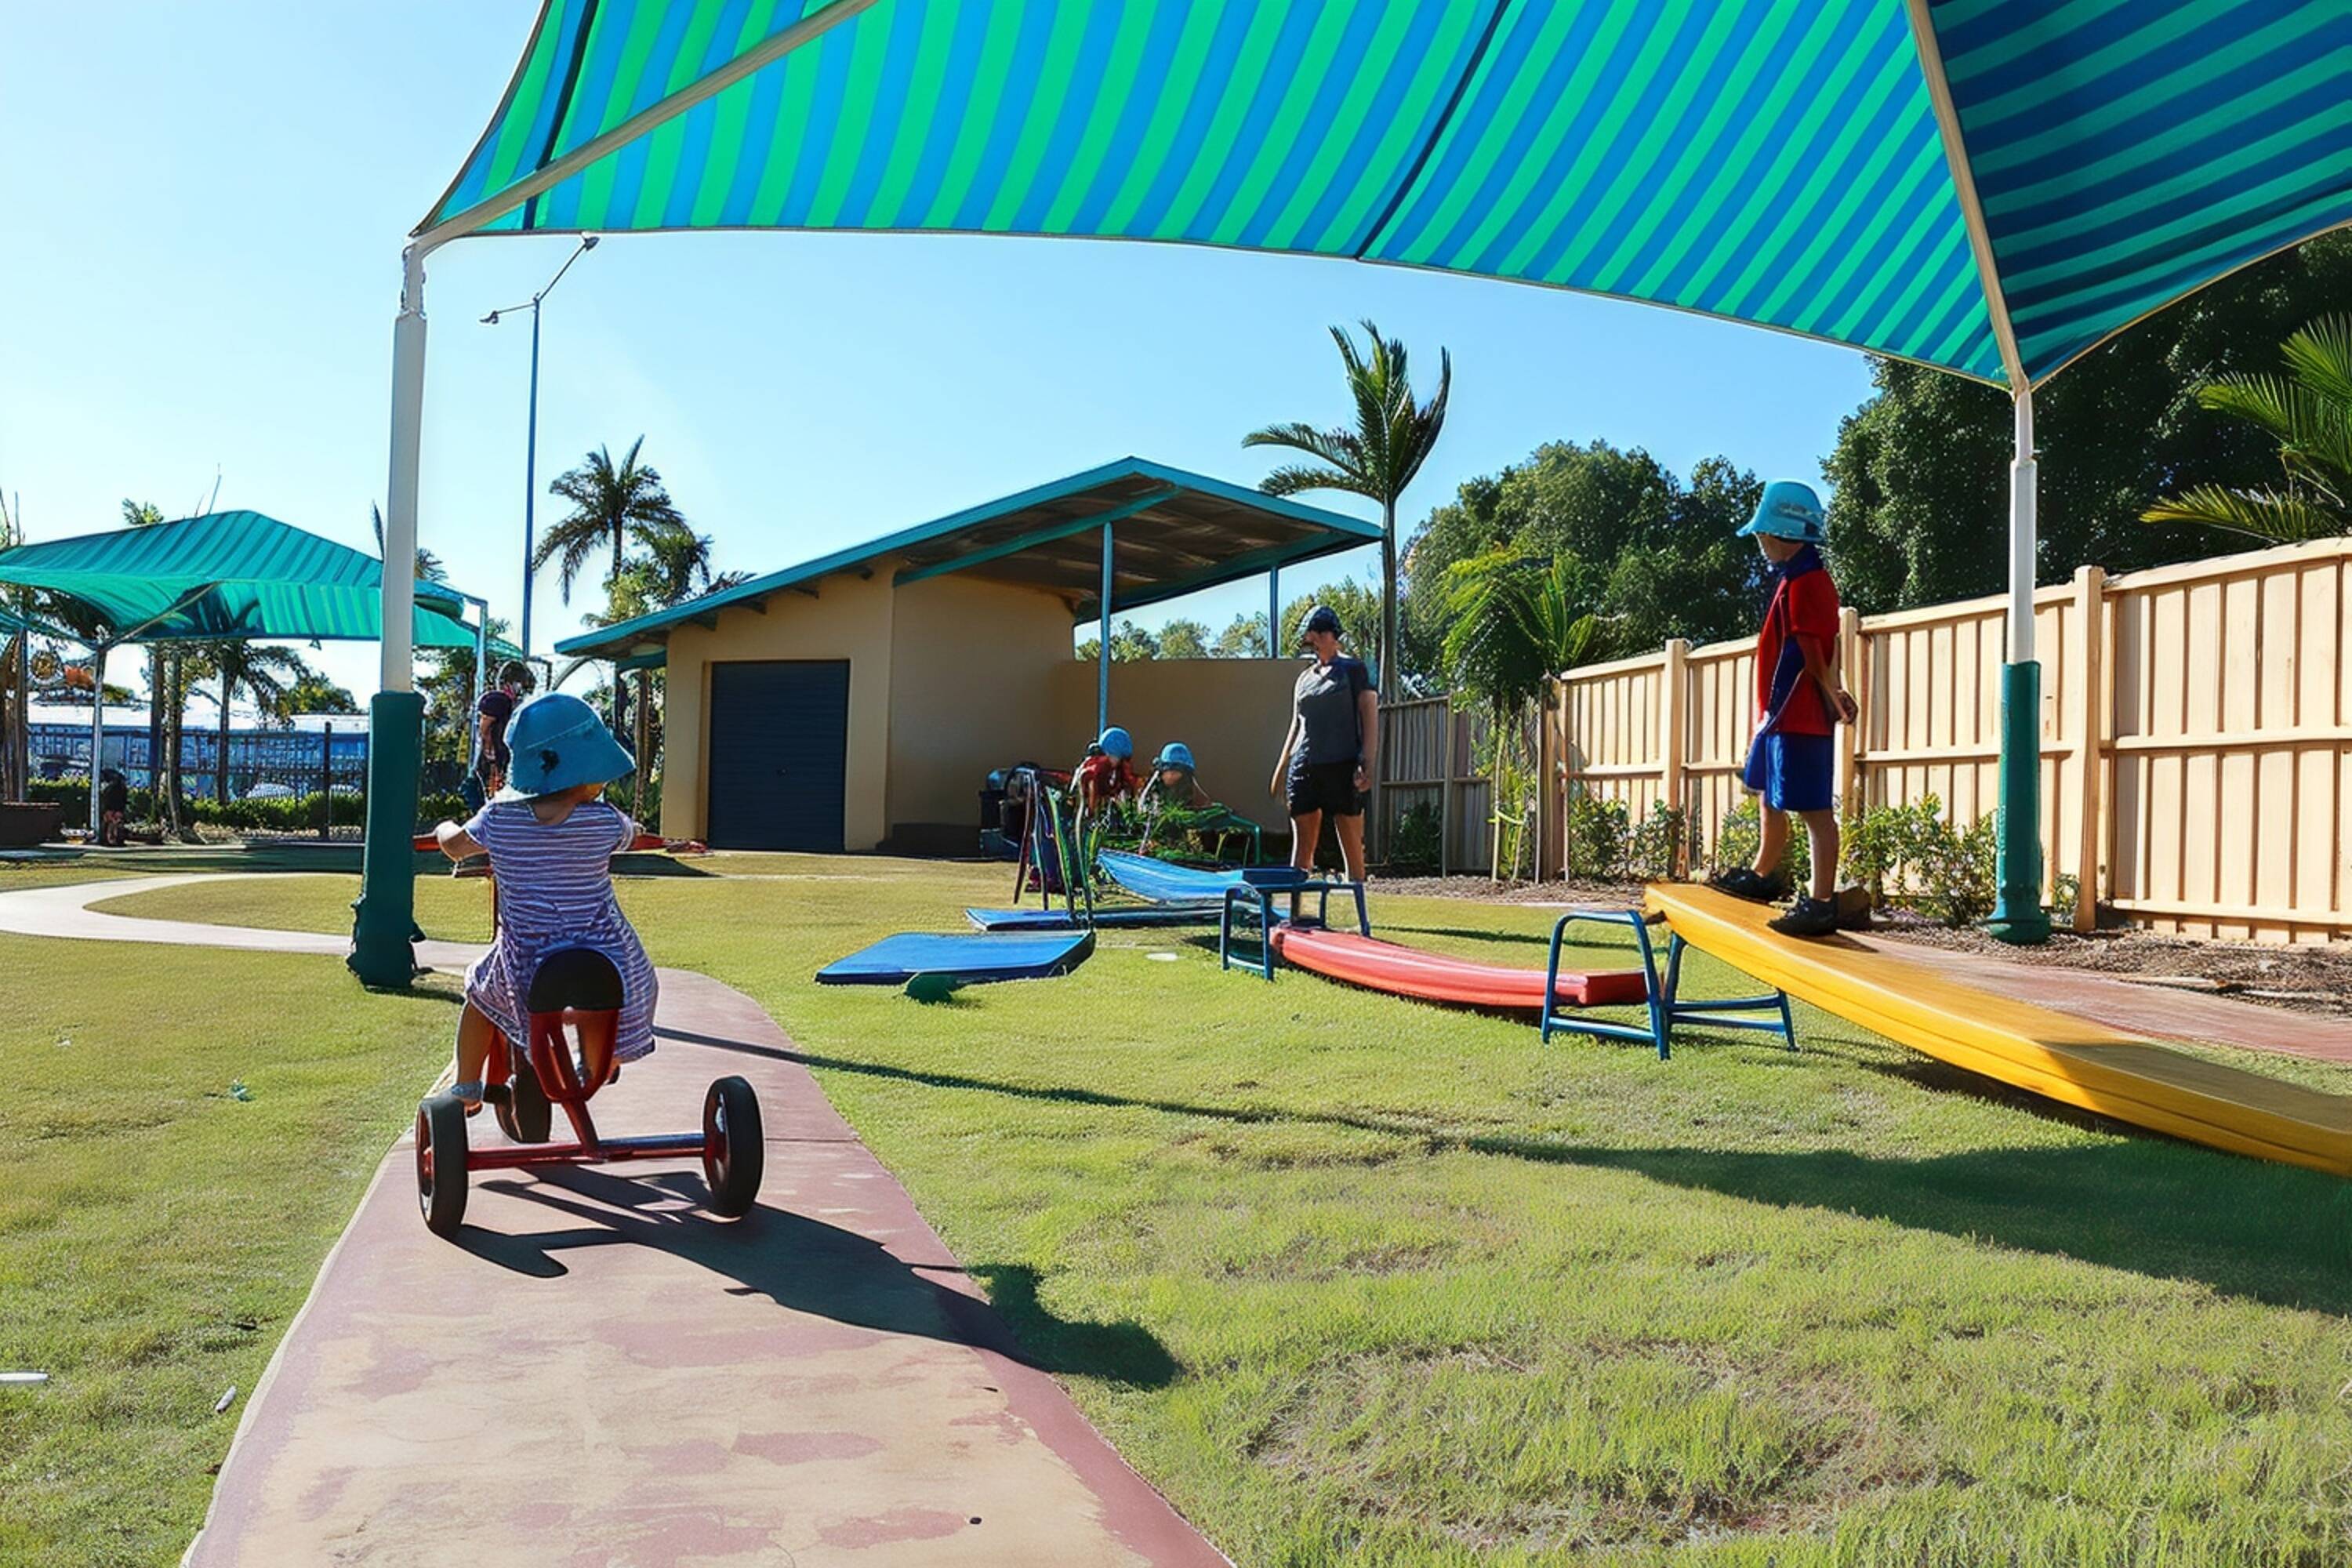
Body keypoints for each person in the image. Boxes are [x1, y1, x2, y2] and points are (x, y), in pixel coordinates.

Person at [433, 693, 655, 1112]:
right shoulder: (605, 821)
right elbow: (634, 834)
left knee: (479, 991)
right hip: (605, 952)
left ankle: (465, 1087)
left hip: (528, 960)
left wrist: (445, 826)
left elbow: (455, 847)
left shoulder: (497, 819)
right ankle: (603, 1063)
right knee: (605, 998)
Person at [1709, 480, 1858, 938]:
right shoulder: (1793, 579)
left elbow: (1812, 646)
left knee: (1813, 809)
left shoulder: (1810, 580)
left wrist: (1832, 692)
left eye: (1762, 535)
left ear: (1783, 535)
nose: (1760, 542)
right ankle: (1762, 873)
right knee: (1767, 792)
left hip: (1799, 715)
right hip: (1776, 715)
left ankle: (1821, 901)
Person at [1269, 604, 1377, 883]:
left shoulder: (1354, 670)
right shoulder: (1304, 679)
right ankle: (1297, 914)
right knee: (1302, 846)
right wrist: (1281, 768)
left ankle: (1360, 913)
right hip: (1305, 766)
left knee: (1351, 843)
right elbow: (1296, 724)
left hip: (1342, 765)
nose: (1312, 641)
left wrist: (1368, 761)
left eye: (1317, 634)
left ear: (1331, 635)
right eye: (1309, 637)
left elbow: (1369, 715)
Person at [470, 661, 534, 808]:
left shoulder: (501, 702)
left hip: (493, 762)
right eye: (521, 687)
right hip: (493, 763)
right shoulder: (499, 700)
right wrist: (489, 749)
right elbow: (484, 728)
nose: (522, 694)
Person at [1140, 741, 1212, 812]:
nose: (1170, 776)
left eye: (1175, 773)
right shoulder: (1149, 795)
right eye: (1167, 772)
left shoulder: (1199, 801)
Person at [97, 768, 128, 848]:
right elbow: (124, 799)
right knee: (115, 825)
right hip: (115, 808)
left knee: (110, 825)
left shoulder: (109, 788)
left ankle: (109, 840)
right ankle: (115, 840)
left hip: (111, 808)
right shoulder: (121, 788)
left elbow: (106, 798)